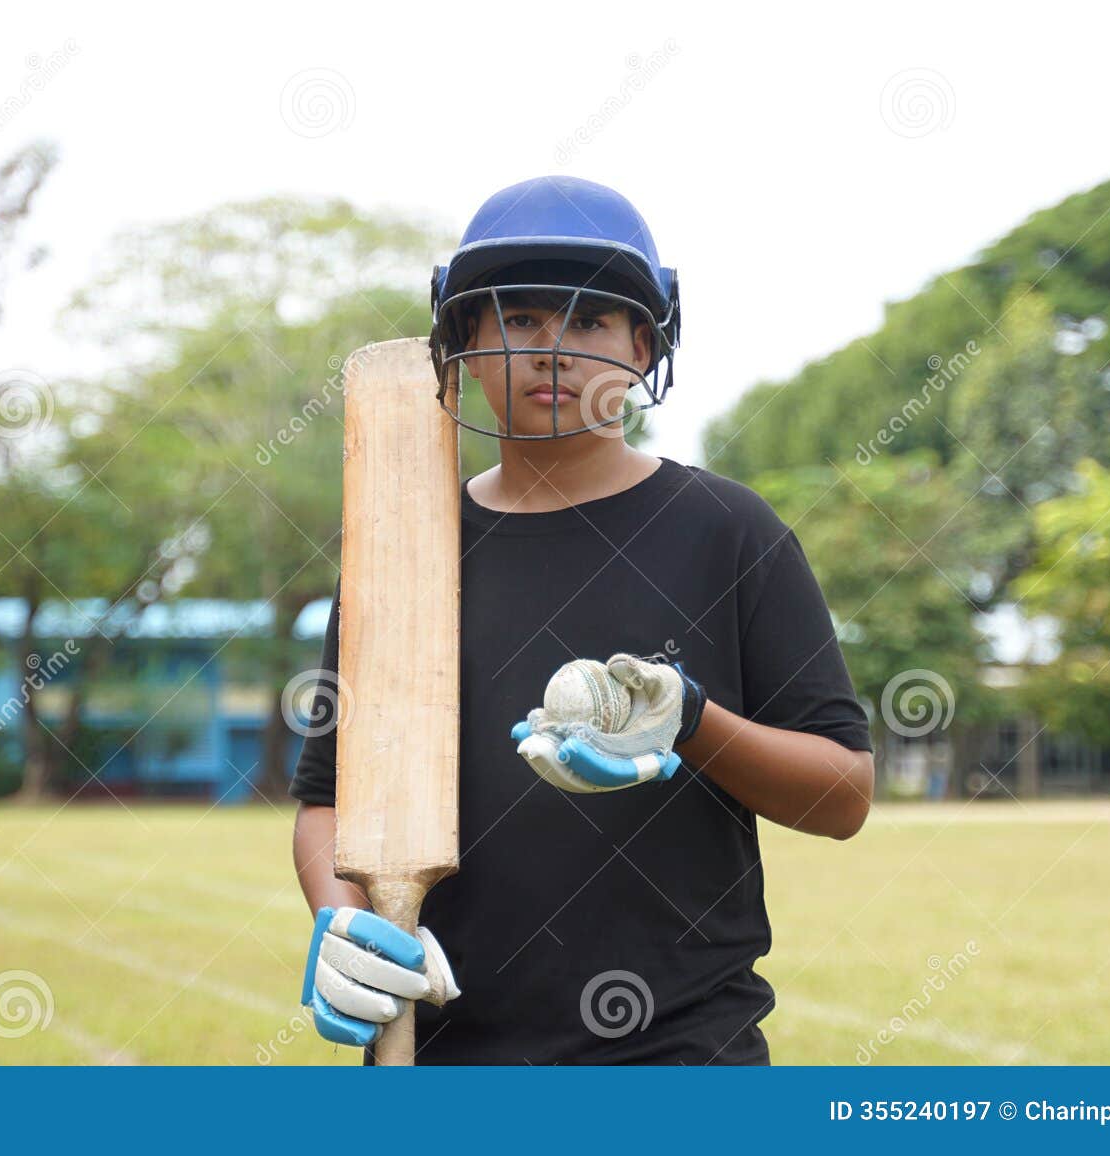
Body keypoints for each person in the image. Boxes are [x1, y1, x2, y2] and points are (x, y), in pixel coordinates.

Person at [290, 174, 874, 1064]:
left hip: (682, 1059)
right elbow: (330, 801)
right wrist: (346, 922)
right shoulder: (397, 552)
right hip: (438, 1054)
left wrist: (691, 720)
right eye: (519, 318)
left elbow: (844, 798)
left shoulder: (728, 531)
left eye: (590, 320)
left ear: (644, 347)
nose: (553, 349)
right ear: (465, 344)